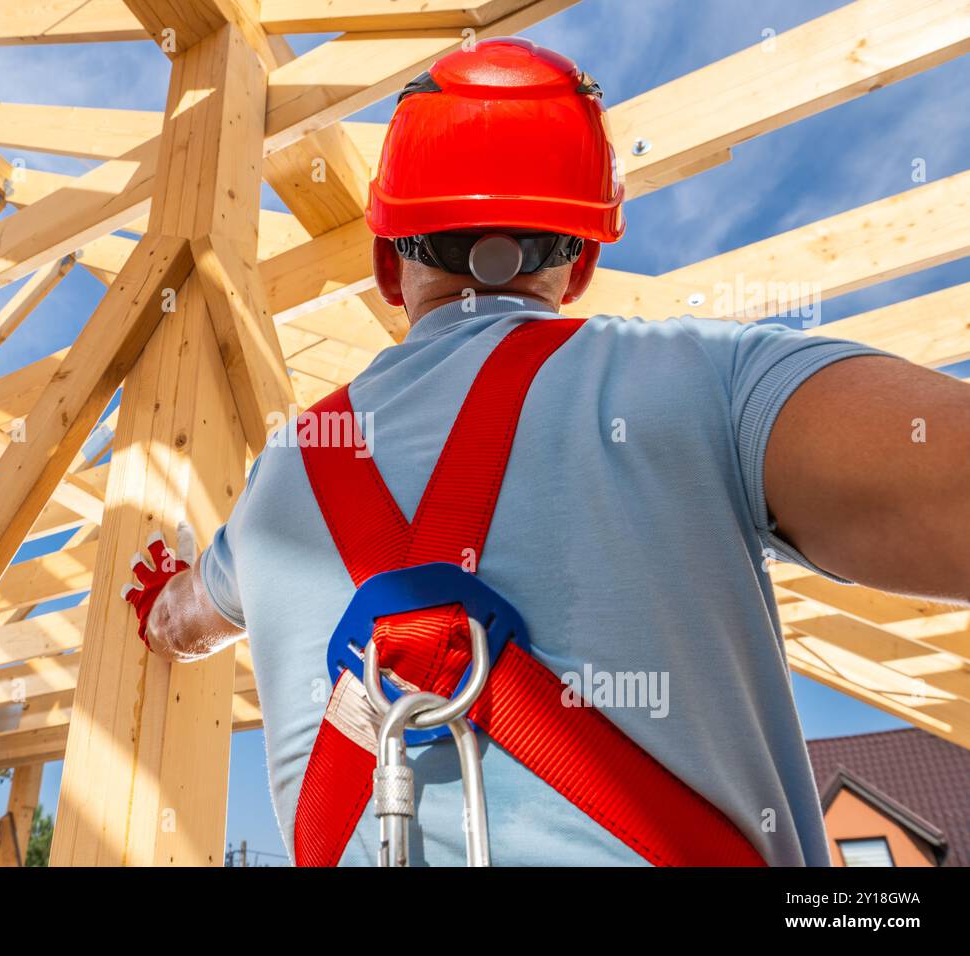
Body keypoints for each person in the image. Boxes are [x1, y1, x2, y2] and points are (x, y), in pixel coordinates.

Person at [121, 38, 970, 866]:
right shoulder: (706, 381)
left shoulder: (284, 478)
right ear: (583, 260)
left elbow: (178, 621)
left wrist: (166, 592)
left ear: (388, 263)